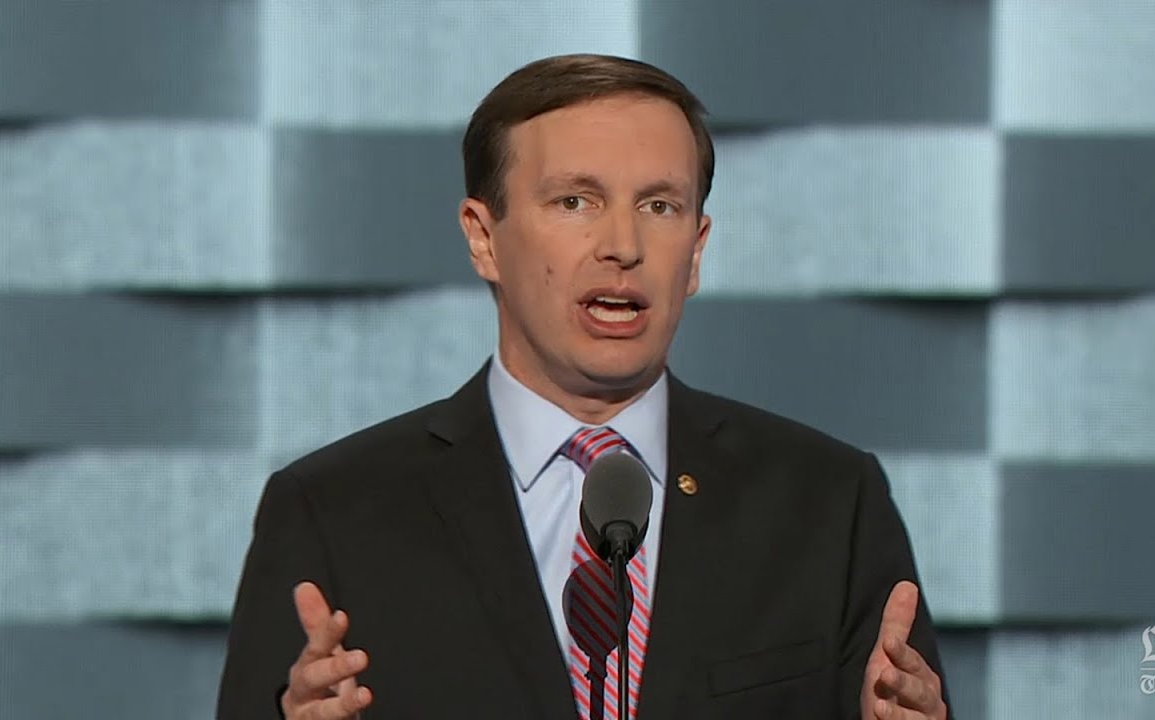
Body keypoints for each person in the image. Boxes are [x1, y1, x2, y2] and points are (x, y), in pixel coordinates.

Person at [217, 54, 949, 720]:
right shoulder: (334, 513)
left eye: (659, 206)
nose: (622, 246)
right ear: (483, 236)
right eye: (576, 201)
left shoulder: (828, 504)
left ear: (695, 253)